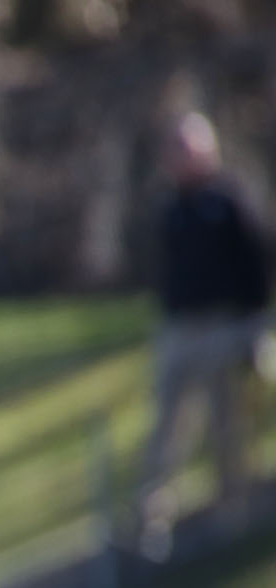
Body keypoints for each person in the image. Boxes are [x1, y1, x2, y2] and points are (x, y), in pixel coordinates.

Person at [136, 109, 271, 560]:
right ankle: (152, 518)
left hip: (223, 326)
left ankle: (231, 515)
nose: (181, 157)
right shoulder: (170, 208)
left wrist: (255, 327)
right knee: (167, 423)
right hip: (180, 328)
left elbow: (254, 266)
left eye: (188, 148)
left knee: (225, 421)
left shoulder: (230, 200)